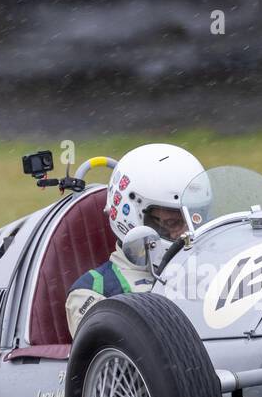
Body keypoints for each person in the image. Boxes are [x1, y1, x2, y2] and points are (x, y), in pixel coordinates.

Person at [65, 143, 209, 336]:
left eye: (195, 218)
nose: (187, 233)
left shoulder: (216, 269)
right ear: (133, 216)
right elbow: (113, 356)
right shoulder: (92, 291)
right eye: (173, 221)